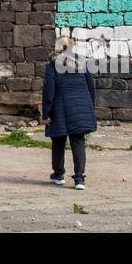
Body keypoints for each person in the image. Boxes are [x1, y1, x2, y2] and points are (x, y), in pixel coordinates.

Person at [42, 36, 97, 190]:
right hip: (81, 106)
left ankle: (58, 174)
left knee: (58, 140)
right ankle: (79, 179)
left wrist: (46, 114)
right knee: (78, 140)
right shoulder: (82, 63)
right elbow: (90, 87)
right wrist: (90, 108)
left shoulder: (52, 66)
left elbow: (49, 91)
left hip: (59, 107)